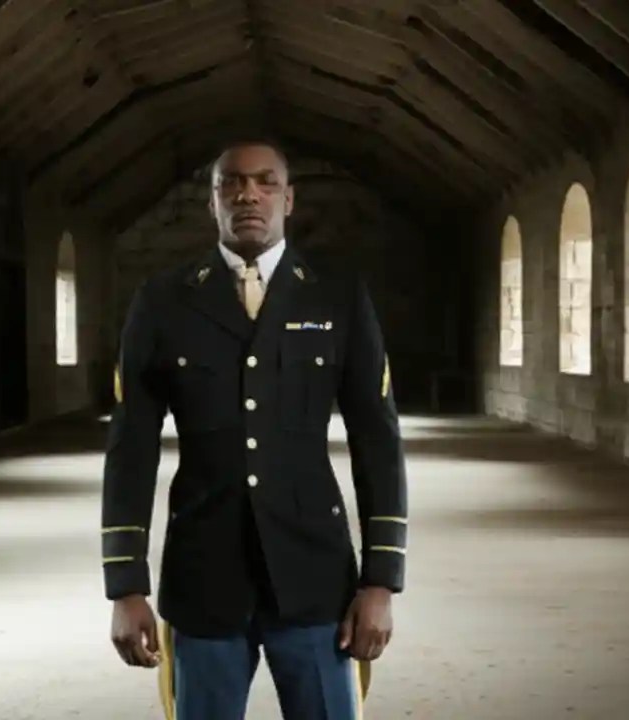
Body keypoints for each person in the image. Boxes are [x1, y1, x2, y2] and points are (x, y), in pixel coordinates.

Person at [100, 138, 408, 719]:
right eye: (232, 183)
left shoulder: (337, 295)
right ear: (212, 202)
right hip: (203, 579)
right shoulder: (163, 302)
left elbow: (378, 442)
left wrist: (381, 581)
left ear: (288, 199)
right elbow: (130, 450)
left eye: (266, 182)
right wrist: (125, 585)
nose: (249, 193)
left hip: (316, 580)